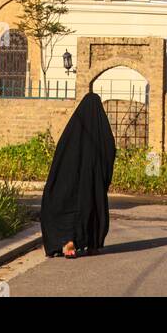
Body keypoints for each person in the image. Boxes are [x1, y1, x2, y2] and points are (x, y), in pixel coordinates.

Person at [39, 92, 116, 258]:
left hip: (72, 183)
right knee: (93, 208)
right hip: (93, 183)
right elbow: (110, 152)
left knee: (70, 206)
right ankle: (93, 245)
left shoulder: (72, 131)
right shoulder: (103, 133)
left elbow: (60, 159)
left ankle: (69, 242)